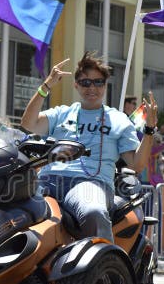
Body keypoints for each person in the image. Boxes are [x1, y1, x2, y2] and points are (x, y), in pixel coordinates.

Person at [21, 52, 156, 242]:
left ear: (105, 85)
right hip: (49, 181)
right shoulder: (62, 113)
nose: (92, 87)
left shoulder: (119, 120)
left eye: (98, 82)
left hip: (90, 184)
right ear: (76, 85)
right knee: (12, 209)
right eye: (85, 83)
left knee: (93, 211)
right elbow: (28, 123)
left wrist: (149, 129)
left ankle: (102, 268)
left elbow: (136, 165)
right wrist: (46, 86)